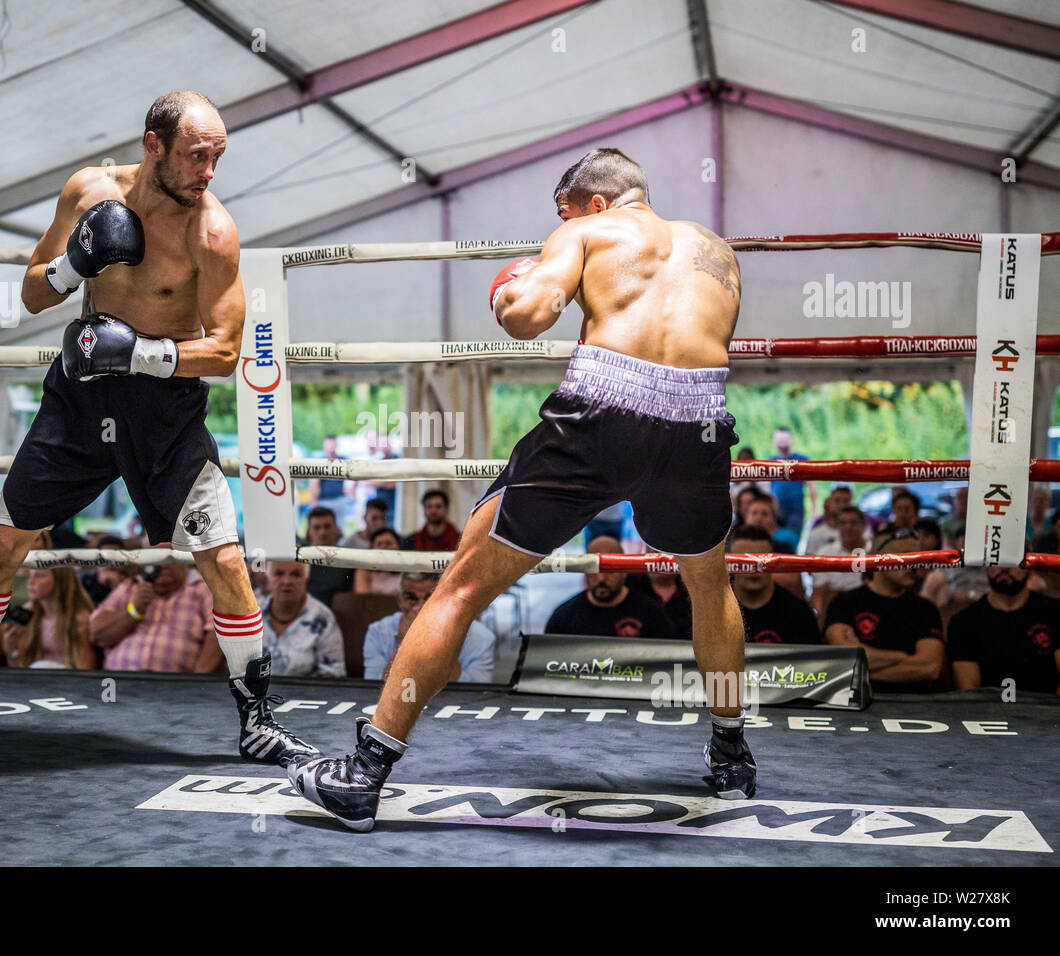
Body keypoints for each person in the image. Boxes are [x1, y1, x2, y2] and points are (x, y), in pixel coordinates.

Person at [291, 147, 753, 830]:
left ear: (594, 203)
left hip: (603, 408)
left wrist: (516, 287)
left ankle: (364, 774)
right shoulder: (716, 251)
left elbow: (528, 316)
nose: (559, 226)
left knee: (462, 586)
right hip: (700, 421)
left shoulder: (588, 231)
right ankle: (732, 755)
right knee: (708, 584)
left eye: (562, 214)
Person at [0, 91, 315, 773]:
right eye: (195, 154)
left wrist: (141, 353)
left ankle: (258, 721)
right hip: (80, 400)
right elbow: (32, 294)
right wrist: (74, 266)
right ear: (153, 144)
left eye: (218, 155)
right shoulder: (89, 190)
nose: (209, 169)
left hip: (166, 412)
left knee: (227, 561)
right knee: (1, 546)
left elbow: (228, 349)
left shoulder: (212, 232)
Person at [823, 528, 945, 693]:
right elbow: (845, 659)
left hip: (913, 704)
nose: (913, 564)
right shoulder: (844, 602)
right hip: (854, 702)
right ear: (878, 558)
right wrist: (903, 657)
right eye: (905, 556)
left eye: (916, 557)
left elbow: (929, 668)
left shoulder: (925, 609)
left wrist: (861, 670)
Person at [947, 567, 1060, 694]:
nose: (1004, 567)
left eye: (1012, 560)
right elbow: (968, 689)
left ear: (1029, 567)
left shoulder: (1055, 612)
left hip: (1047, 709)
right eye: (997, 559)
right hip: (988, 710)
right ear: (986, 566)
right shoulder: (964, 621)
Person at [364, 573, 495, 682]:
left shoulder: (480, 637)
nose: (420, 608)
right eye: (411, 598)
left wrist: (443, 643)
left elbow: (475, 692)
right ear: (400, 601)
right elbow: (373, 688)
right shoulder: (378, 631)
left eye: (430, 598)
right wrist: (403, 644)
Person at [90, 563, 219, 672]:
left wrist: (196, 684)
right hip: (120, 681)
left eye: (168, 558)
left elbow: (218, 633)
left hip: (177, 686)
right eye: (155, 559)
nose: (162, 565)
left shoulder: (202, 586)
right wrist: (133, 611)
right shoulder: (131, 585)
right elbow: (97, 634)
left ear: (182, 558)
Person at [545, 536, 674, 637]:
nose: (601, 578)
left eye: (610, 570)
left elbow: (670, 661)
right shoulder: (563, 618)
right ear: (584, 572)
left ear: (624, 571)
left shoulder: (651, 614)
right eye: (594, 569)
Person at [727, 525, 819, 644]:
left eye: (761, 561)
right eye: (745, 562)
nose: (754, 569)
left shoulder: (798, 612)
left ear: (773, 562)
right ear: (731, 564)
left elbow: (810, 659)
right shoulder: (715, 610)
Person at [258, 561, 345, 677]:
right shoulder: (250, 612)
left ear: (306, 580)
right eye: (279, 574)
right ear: (268, 580)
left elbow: (333, 673)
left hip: (306, 694)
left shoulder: (323, 618)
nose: (287, 581)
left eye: (296, 575)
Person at [0, 567, 98, 669]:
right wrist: (12, 651)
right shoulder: (28, 614)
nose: (30, 582)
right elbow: (18, 669)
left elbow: (86, 668)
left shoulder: (80, 619)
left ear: (60, 580)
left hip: (67, 680)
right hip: (33, 679)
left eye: (39, 575)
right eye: (30, 575)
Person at [302, 506, 356, 606]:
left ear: (336, 528)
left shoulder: (348, 559)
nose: (322, 532)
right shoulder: (298, 559)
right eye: (316, 527)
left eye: (327, 526)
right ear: (309, 531)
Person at [769, 427, 815, 539]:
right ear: (774, 441)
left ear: (791, 439)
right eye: (779, 439)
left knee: (793, 540)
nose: (782, 441)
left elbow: (811, 486)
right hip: (776, 511)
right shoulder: (770, 461)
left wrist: (814, 511)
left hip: (796, 509)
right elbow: (767, 488)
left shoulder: (802, 459)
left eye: (784, 438)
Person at [353, 527, 403, 595]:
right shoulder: (364, 571)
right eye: (379, 544)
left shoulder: (406, 572)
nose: (384, 547)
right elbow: (363, 599)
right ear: (372, 548)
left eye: (388, 543)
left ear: (398, 546)